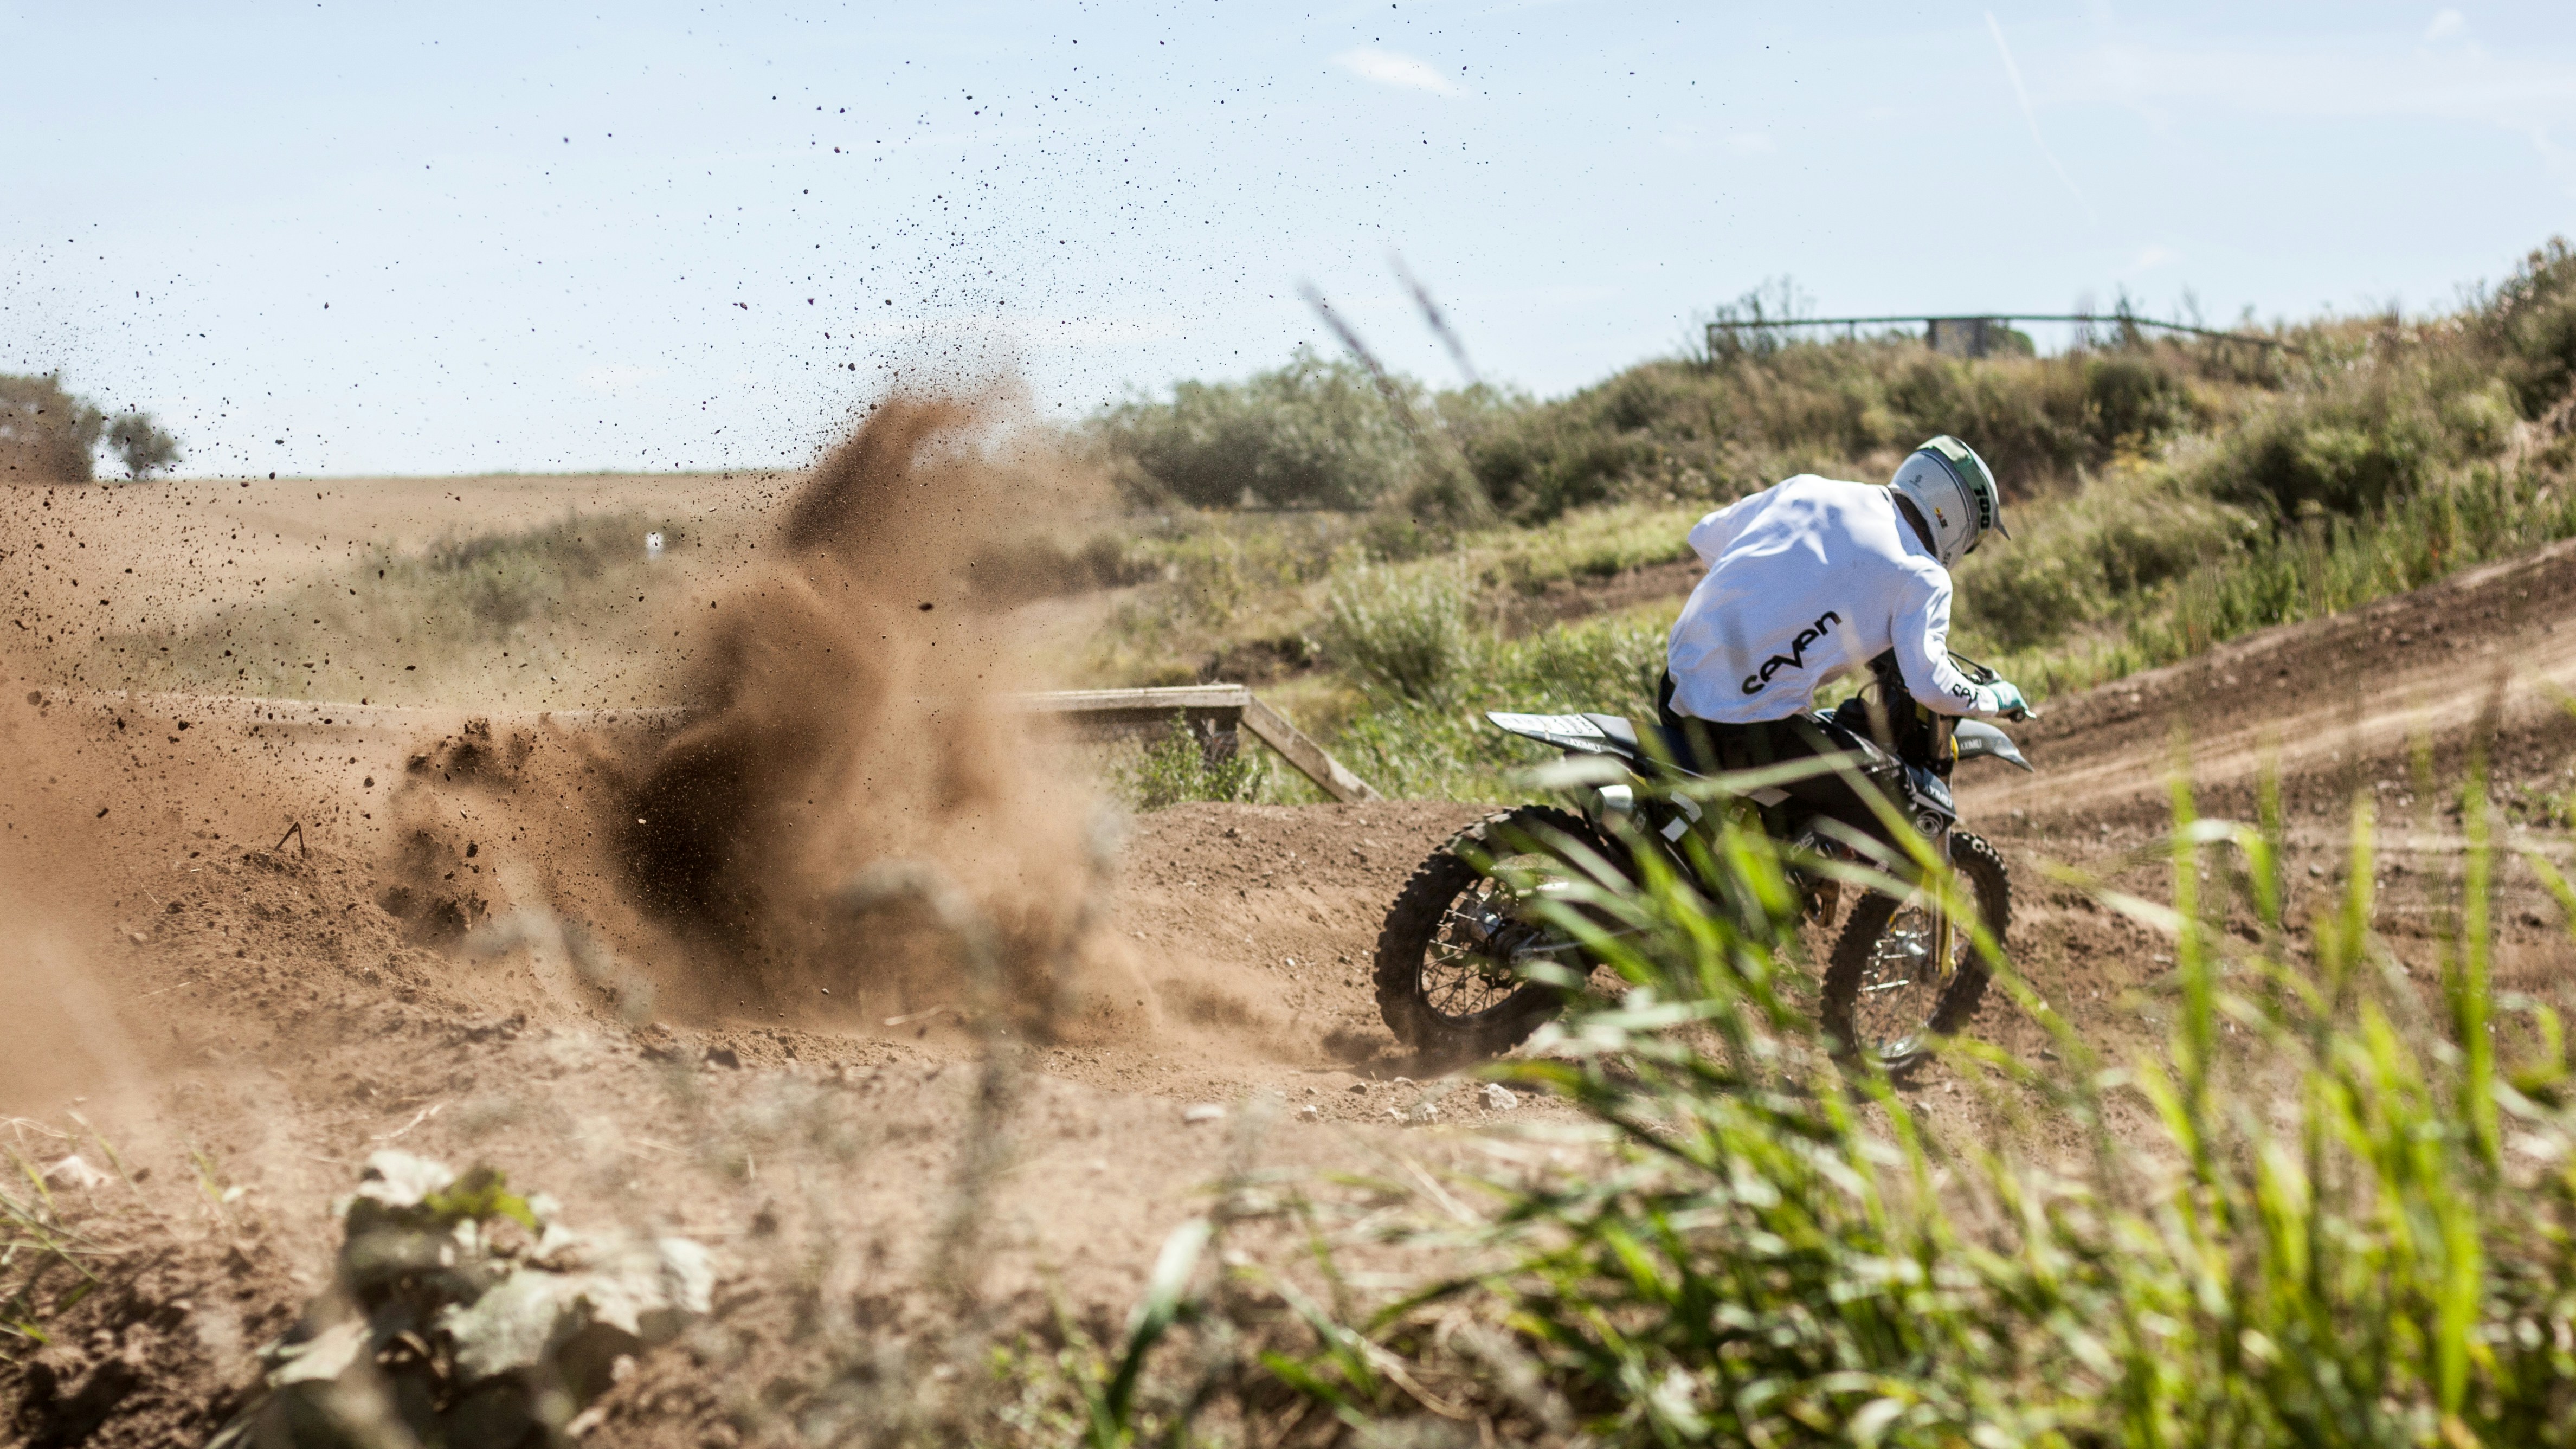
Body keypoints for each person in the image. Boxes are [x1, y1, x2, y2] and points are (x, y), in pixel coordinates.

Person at [1658, 435, 2029, 838]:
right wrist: (1995, 698)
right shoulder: (1924, 576)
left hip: (1677, 686)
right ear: (1962, 527)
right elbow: (1930, 683)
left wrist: (1773, 590)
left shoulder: (1810, 489)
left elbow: (1705, 534)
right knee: (1900, 799)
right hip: (1746, 729)